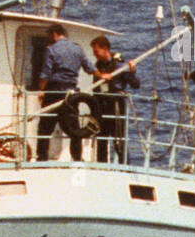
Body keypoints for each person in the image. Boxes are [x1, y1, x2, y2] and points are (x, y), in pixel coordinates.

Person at [37, 25, 89, 161]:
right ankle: (77, 157)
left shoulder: (51, 50)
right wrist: (103, 75)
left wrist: (41, 90)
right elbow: (89, 68)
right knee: (74, 129)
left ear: (54, 34)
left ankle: (42, 157)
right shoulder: (77, 49)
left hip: (54, 92)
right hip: (71, 93)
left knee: (44, 127)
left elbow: (45, 74)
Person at [89, 35, 139, 163]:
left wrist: (132, 71)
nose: (95, 55)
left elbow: (135, 84)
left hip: (116, 106)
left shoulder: (118, 65)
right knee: (101, 139)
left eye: (96, 52)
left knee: (119, 140)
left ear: (105, 49)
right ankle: (102, 167)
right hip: (101, 105)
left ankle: (125, 167)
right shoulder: (98, 66)